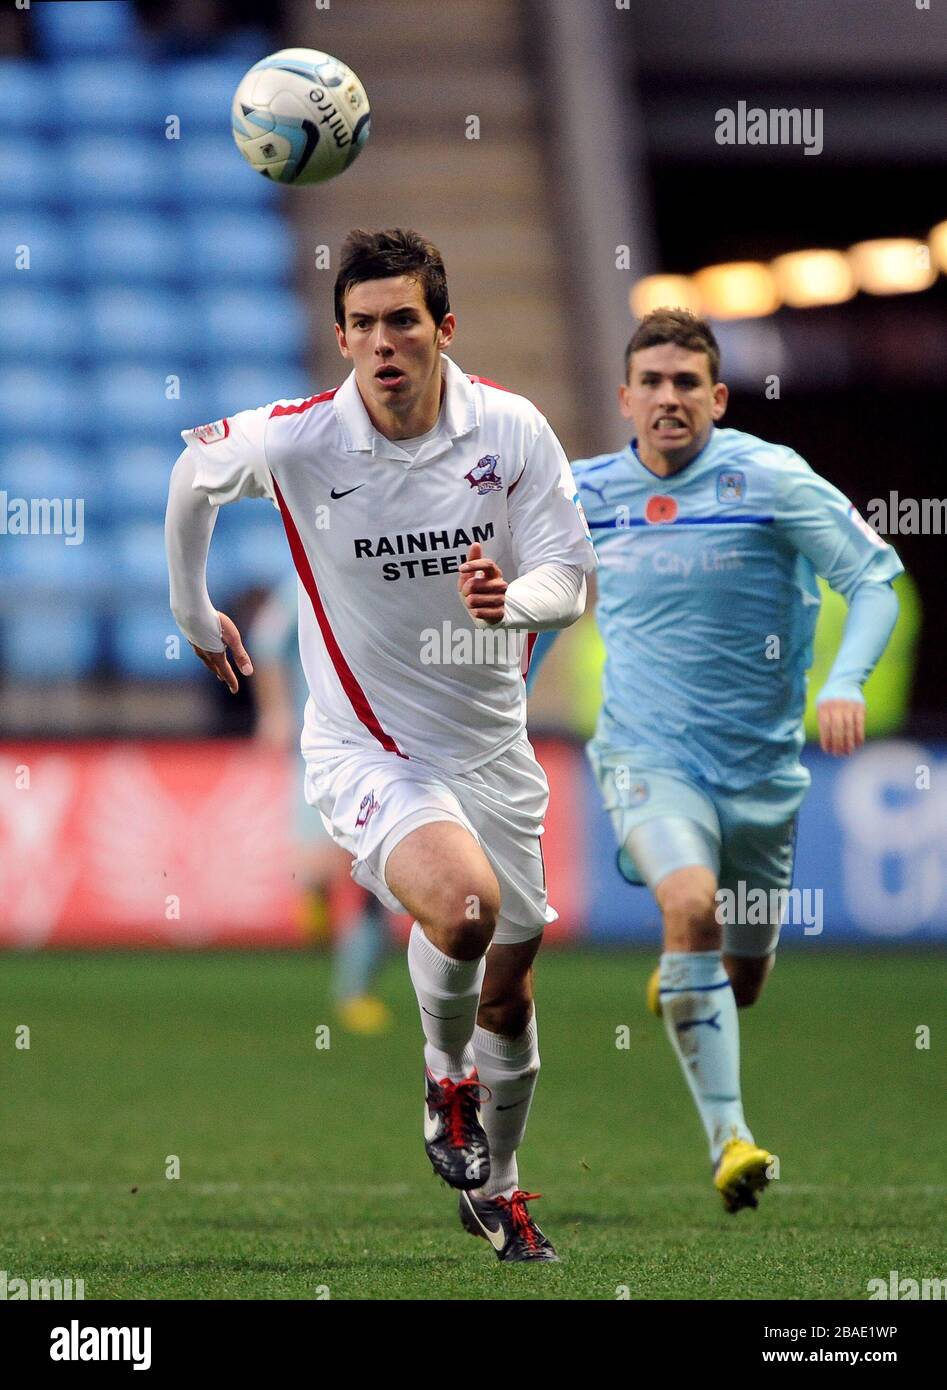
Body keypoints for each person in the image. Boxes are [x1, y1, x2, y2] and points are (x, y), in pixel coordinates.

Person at [165, 228, 596, 1261]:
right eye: (360, 324)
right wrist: (191, 608)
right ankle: (442, 1083)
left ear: (443, 328)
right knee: (463, 907)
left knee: (510, 980)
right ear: (341, 336)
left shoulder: (511, 430)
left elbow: (569, 581)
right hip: (368, 747)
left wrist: (509, 602)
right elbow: (193, 475)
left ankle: (497, 1184)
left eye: (402, 319)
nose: (381, 341)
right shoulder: (303, 440)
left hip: (491, 750)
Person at [528, 308, 903, 1214]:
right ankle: (730, 1139)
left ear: (716, 397)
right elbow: (535, 604)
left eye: (685, 383)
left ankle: (690, 975)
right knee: (688, 902)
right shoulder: (582, 493)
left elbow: (872, 579)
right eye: (650, 383)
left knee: (743, 980)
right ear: (624, 397)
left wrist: (845, 680)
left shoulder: (770, 479)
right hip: (645, 755)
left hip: (762, 776)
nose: (667, 398)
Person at [250, 571, 393, 1035]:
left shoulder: (391, 574)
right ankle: (315, 899)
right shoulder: (310, 574)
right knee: (320, 872)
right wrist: (274, 712)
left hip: (385, 751)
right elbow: (266, 641)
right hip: (321, 750)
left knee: (377, 879)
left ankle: (354, 992)